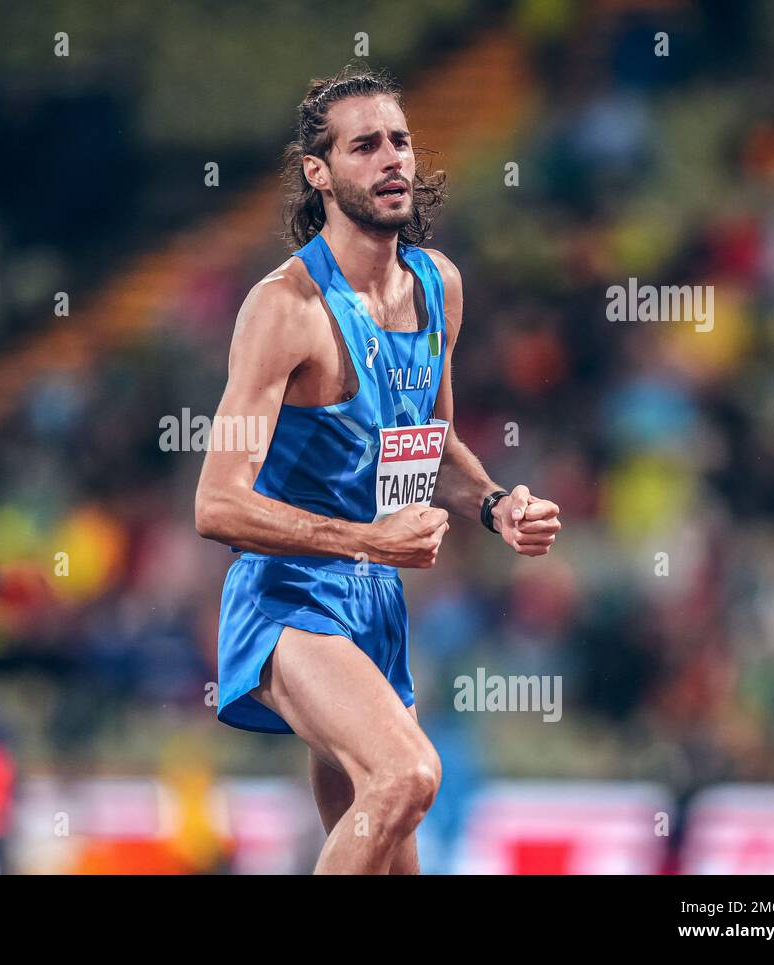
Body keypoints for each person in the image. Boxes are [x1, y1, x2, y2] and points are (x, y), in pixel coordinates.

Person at [194, 65, 563, 874]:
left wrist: (497, 505)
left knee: (396, 860)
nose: (393, 158)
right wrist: (366, 537)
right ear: (318, 174)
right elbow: (217, 503)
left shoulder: (438, 286)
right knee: (410, 773)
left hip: (374, 605)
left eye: (399, 139)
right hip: (286, 595)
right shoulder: (285, 308)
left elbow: (431, 444)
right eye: (365, 146)